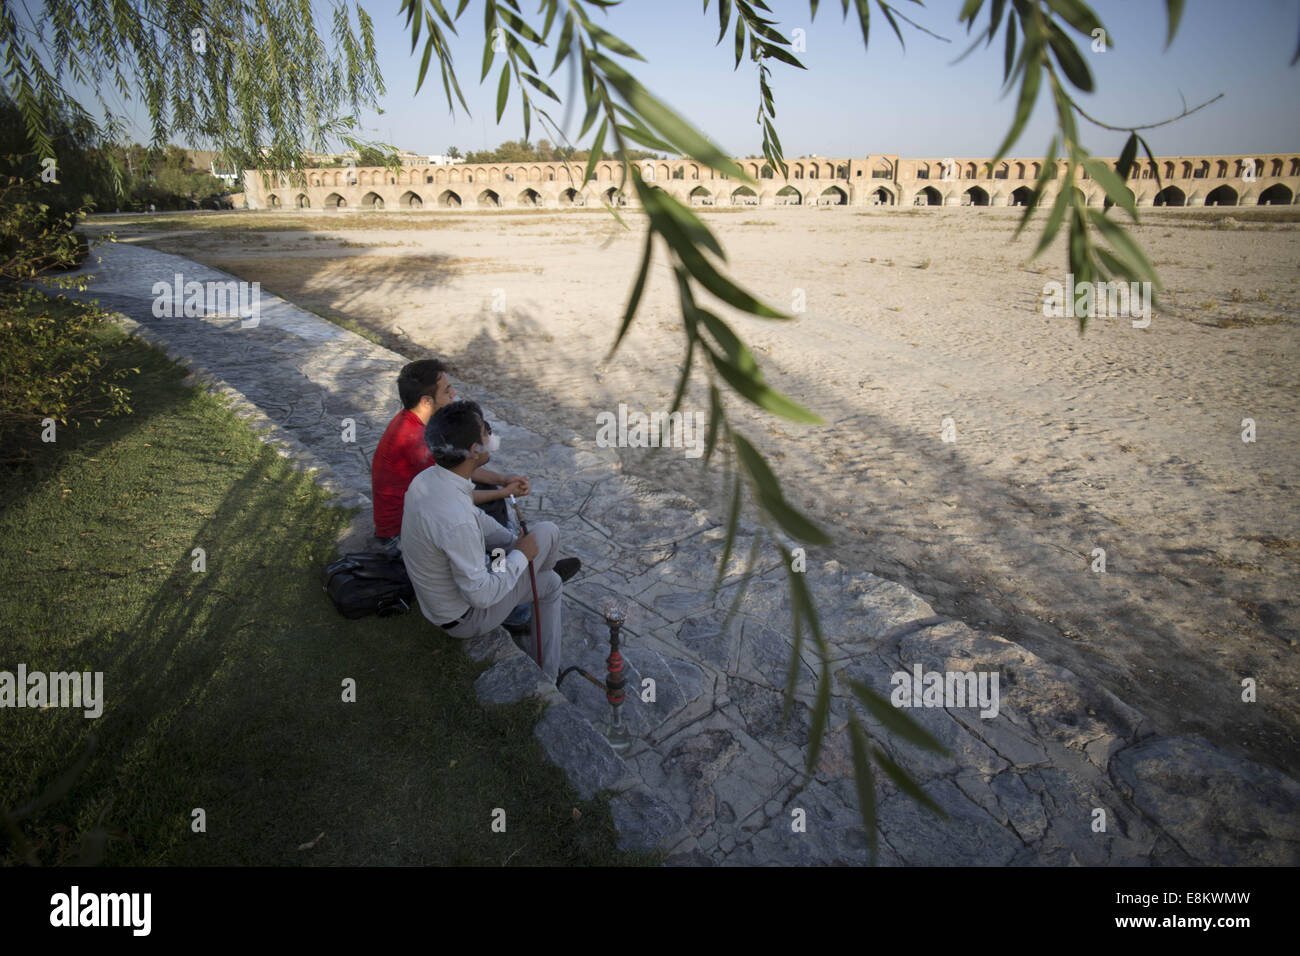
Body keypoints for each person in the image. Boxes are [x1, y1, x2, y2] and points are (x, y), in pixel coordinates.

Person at [402, 401, 579, 681]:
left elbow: (473, 513)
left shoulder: (429, 480)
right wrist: (520, 555)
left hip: (442, 601)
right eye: (486, 431)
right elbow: (481, 595)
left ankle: (535, 580)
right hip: (464, 617)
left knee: (545, 576)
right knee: (548, 536)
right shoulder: (455, 520)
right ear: (474, 450)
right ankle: (547, 671)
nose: (490, 436)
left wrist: (511, 543)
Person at [370, 358, 529, 555]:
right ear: (426, 401)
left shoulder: (417, 420)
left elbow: (460, 464)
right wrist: (503, 493)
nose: (453, 394)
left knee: (486, 491)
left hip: (421, 511)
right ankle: (517, 560)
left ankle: (517, 551)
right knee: (475, 516)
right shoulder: (417, 443)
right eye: (446, 391)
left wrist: (503, 480)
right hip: (399, 536)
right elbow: (452, 497)